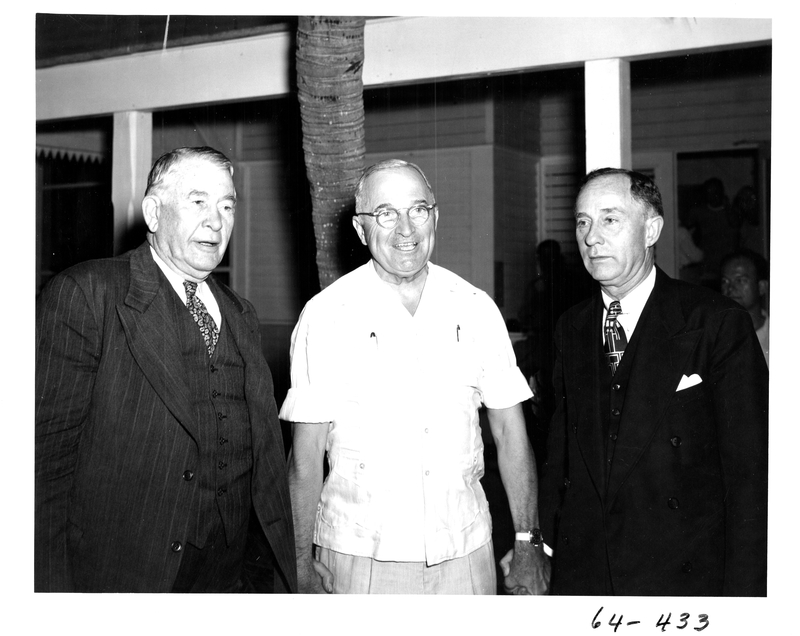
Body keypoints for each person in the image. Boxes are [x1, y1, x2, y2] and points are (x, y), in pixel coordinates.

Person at [281, 159, 550, 595]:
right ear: (359, 229)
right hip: (359, 558)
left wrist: (527, 541)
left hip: (465, 555)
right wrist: (297, 562)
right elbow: (305, 456)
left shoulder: (475, 307)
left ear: (435, 217)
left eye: (418, 210)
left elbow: (511, 434)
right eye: (385, 213)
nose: (406, 230)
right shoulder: (326, 315)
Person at [35, 146, 297, 593]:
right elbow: (42, 473)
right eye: (198, 202)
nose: (216, 221)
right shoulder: (88, 294)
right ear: (154, 213)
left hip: (229, 579)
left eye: (227, 205)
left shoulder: (240, 314)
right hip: (126, 578)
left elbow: (266, 466)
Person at [538, 167, 768, 596]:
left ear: (652, 229)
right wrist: (542, 549)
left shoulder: (714, 323)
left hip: (680, 575)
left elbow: (752, 477)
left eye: (609, 219)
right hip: (587, 575)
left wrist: (747, 602)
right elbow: (560, 456)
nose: (590, 237)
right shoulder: (570, 327)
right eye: (582, 222)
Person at [721, 248, 769, 366]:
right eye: (725, 281)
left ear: (762, 287)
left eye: (740, 280)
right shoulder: (715, 336)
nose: (730, 288)